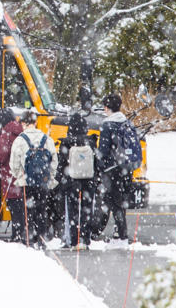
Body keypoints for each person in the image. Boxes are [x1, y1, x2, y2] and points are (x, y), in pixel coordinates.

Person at [9, 108, 58, 247]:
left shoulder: (20, 140)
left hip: (27, 182)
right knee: (42, 210)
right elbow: (54, 161)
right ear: (36, 122)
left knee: (28, 211)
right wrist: (49, 176)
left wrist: (20, 176)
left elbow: (14, 163)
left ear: (23, 123)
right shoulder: (46, 138)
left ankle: (30, 240)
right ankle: (42, 238)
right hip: (43, 182)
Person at [97, 93, 132, 245]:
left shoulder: (107, 125)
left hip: (111, 169)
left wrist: (100, 165)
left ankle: (122, 233)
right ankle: (119, 232)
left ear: (107, 107)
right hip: (126, 167)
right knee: (120, 200)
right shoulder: (126, 123)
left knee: (110, 200)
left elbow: (103, 151)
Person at [57, 112, 96, 249]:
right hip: (88, 181)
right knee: (87, 211)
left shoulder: (66, 143)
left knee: (72, 212)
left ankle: (73, 240)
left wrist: (60, 181)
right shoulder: (91, 142)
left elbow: (61, 165)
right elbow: (97, 163)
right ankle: (85, 240)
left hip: (71, 182)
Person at [0, 108, 24, 241]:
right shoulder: (19, 130)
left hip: (10, 174)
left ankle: (17, 235)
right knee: (19, 206)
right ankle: (21, 232)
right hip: (19, 174)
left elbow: (1, 155)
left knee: (14, 206)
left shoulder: (7, 132)